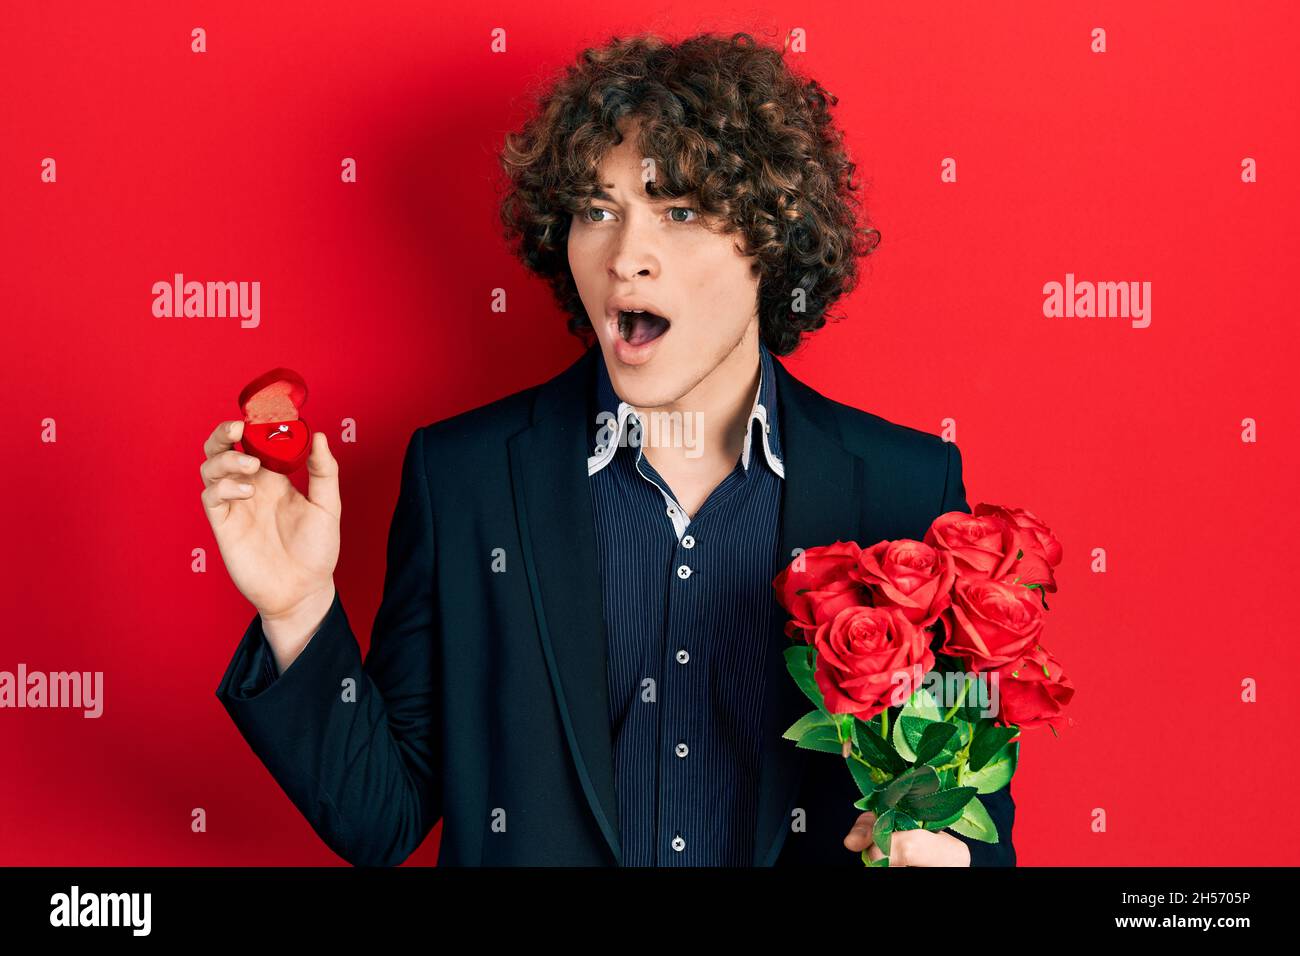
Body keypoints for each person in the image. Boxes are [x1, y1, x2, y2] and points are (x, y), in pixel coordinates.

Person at [201, 31, 1014, 867]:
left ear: (772, 245)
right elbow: (382, 819)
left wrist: (946, 854)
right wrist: (296, 612)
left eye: (681, 211)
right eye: (597, 210)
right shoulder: (466, 478)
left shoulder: (905, 488)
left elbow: (973, 817)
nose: (627, 256)